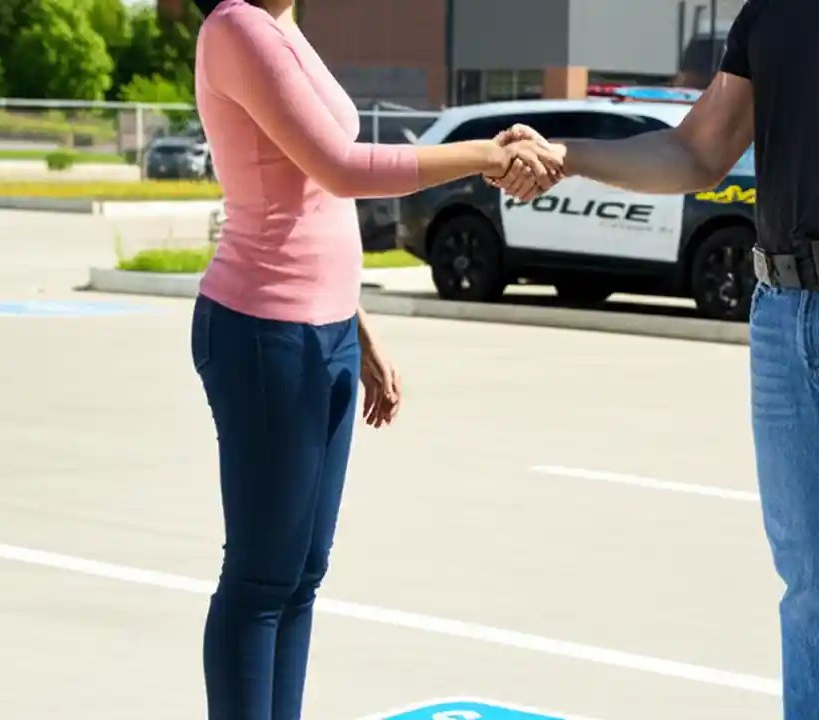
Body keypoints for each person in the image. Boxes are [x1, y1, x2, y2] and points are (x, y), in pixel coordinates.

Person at [492, 0, 819, 717]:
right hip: (782, 313)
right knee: (809, 582)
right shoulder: (773, 11)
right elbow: (696, 151)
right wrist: (568, 156)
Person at [185, 1, 564, 717]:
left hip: (320, 331)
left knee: (301, 574)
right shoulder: (235, 27)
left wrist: (357, 331)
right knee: (262, 580)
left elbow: (309, 198)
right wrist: (488, 155)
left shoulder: (282, 25)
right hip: (265, 331)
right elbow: (341, 168)